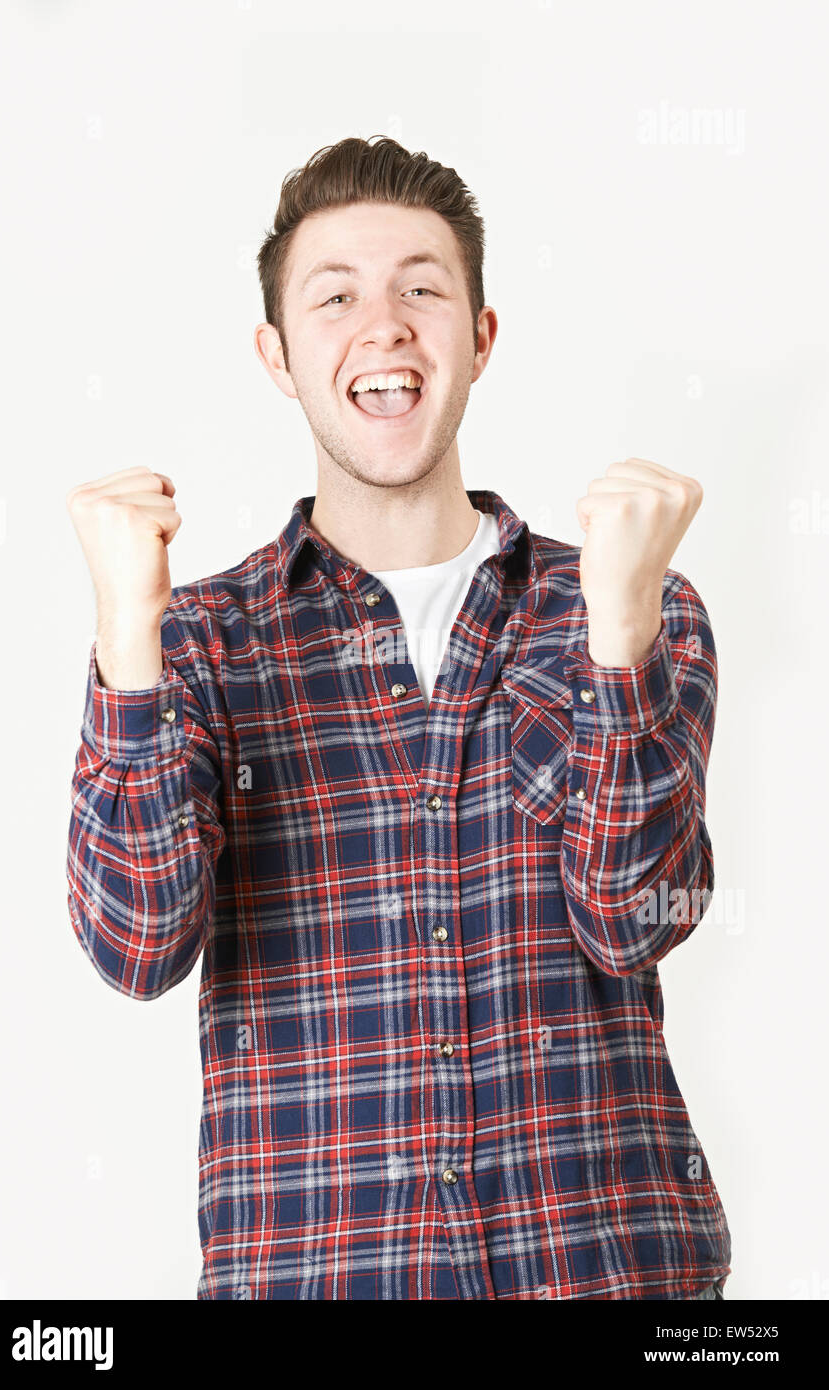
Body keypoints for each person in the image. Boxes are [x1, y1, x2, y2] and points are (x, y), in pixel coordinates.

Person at [65, 134, 730, 1300]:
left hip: (608, 1279)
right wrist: (127, 631)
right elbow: (134, 947)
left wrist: (618, 637)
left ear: (478, 336)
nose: (384, 325)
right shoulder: (192, 641)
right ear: (278, 355)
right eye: (337, 298)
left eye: (422, 287)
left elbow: (636, 918)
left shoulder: (639, 599)